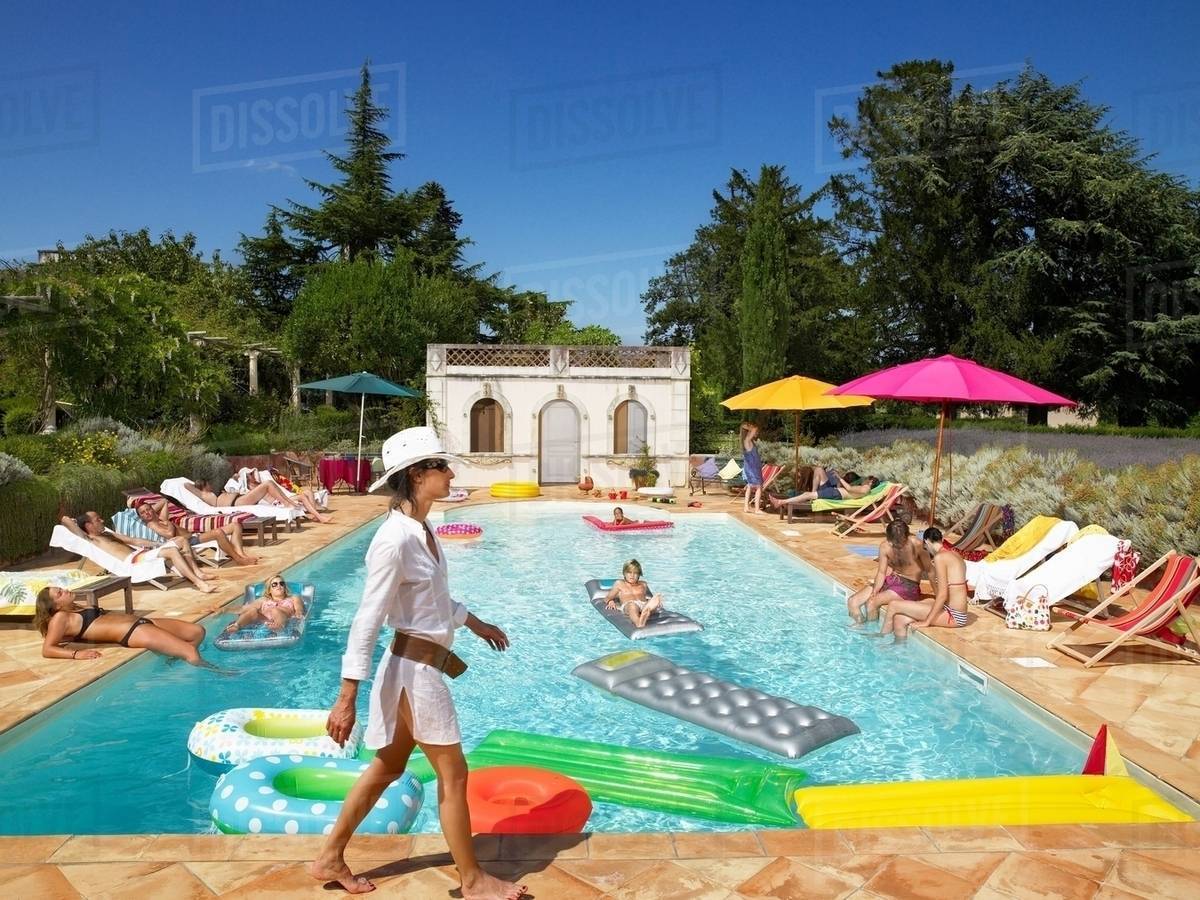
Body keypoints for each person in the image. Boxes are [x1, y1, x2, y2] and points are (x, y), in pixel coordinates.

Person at [309, 426, 525, 900]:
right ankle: (473, 882)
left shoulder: (421, 529)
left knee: (386, 767)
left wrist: (476, 623)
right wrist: (346, 698)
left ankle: (330, 856)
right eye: (440, 466)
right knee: (455, 774)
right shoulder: (394, 540)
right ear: (415, 475)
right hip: (414, 674)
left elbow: (431, 601)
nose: (450, 473)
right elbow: (367, 619)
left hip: (414, 669)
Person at [35, 585, 210, 666]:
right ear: (55, 606)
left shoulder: (74, 608)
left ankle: (177, 657)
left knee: (197, 632)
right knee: (190, 652)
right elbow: (47, 649)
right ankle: (212, 675)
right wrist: (77, 654)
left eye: (61, 588)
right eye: (60, 593)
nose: (65, 590)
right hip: (133, 632)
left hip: (142, 623)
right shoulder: (60, 618)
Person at [62, 512, 217, 594]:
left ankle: (198, 573)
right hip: (133, 562)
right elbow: (65, 521)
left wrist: (158, 544)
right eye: (97, 519)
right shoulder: (91, 540)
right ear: (88, 526)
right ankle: (199, 583)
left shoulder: (108, 534)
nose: (102, 520)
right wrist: (71, 520)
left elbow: (134, 541)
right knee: (171, 551)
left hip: (141, 554)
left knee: (181, 541)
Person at [880, 527, 970, 640]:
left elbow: (942, 595)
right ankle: (898, 649)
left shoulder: (940, 557)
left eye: (925, 547)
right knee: (899, 618)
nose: (926, 550)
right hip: (955, 610)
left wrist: (927, 622)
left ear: (927, 541)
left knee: (894, 605)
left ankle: (881, 640)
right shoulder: (955, 555)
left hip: (954, 616)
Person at [846, 520, 932, 626]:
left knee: (872, 603)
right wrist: (876, 589)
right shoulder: (885, 546)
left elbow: (930, 570)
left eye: (900, 541)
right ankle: (860, 627)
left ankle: (871, 634)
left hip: (908, 586)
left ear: (907, 536)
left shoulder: (917, 545)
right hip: (891, 580)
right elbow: (882, 572)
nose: (897, 544)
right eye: (894, 541)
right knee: (852, 602)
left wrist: (939, 595)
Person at [135, 498, 259, 566]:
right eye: (143, 513)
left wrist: (154, 513)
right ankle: (237, 558)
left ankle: (241, 555)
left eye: (148, 509)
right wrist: (170, 524)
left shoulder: (160, 519)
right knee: (218, 533)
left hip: (194, 536)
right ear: (141, 517)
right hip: (189, 541)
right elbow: (169, 534)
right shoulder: (152, 524)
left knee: (236, 525)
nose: (147, 513)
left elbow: (164, 501)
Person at [187, 477, 332, 524]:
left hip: (239, 499)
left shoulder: (210, 494)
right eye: (208, 483)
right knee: (268, 483)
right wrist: (192, 484)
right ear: (204, 485)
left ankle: (289, 502)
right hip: (236, 503)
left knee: (269, 484)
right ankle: (288, 503)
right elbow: (187, 486)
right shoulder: (204, 495)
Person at [227, 467, 333, 523]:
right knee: (302, 496)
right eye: (250, 475)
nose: (253, 475)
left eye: (252, 473)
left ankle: (315, 516)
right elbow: (233, 484)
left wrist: (289, 499)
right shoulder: (250, 489)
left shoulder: (260, 484)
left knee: (308, 492)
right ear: (246, 478)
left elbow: (279, 490)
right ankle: (320, 517)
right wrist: (237, 476)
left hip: (284, 498)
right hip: (276, 503)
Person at [222, 574, 305, 635]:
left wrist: (299, 614)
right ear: (269, 590)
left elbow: (299, 608)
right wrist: (225, 609)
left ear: (284, 586)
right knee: (253, 610)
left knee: (275, 610)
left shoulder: (293, 598)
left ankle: (279, 626)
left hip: (284, 617)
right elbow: (244, 609)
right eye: (274, 584)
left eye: (281, 583)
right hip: (265, 621)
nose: (278, 586)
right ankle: (237, 626)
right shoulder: (263, 600)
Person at [604, 558, 664, 629]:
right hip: (628, 605)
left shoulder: (643, 584)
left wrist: (655, 601)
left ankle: (646, 611)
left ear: (639, 575)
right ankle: (639, 623)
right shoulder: (619, 584)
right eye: (629, 572)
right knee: (632, 606)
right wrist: (610, 601)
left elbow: (649, 597)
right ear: (624, 573)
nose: (632, 575)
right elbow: (607, 598)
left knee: (655, 599)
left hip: (643, 604)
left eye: (635, 573)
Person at [769, 473, 881, 509]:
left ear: (871, 482)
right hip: (835, 493)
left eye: (868, 479)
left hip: (835, 494)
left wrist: (839, 477)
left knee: (808, 494)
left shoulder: (866, 488)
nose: (865, 480)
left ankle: (781, 502)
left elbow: (850, 489)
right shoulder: (866, 489)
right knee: (807, 494)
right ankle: (782, 502)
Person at [741, 422, 764, 514]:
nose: (755, 432)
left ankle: (746, 507)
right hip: (752, 468)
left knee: (750, 486)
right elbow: (755, 429)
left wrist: (748, 428)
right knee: (759, 487)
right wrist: (750, 427)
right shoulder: (747, 441)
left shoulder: (748, 441)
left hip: (751, 467)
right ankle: (757, 509)